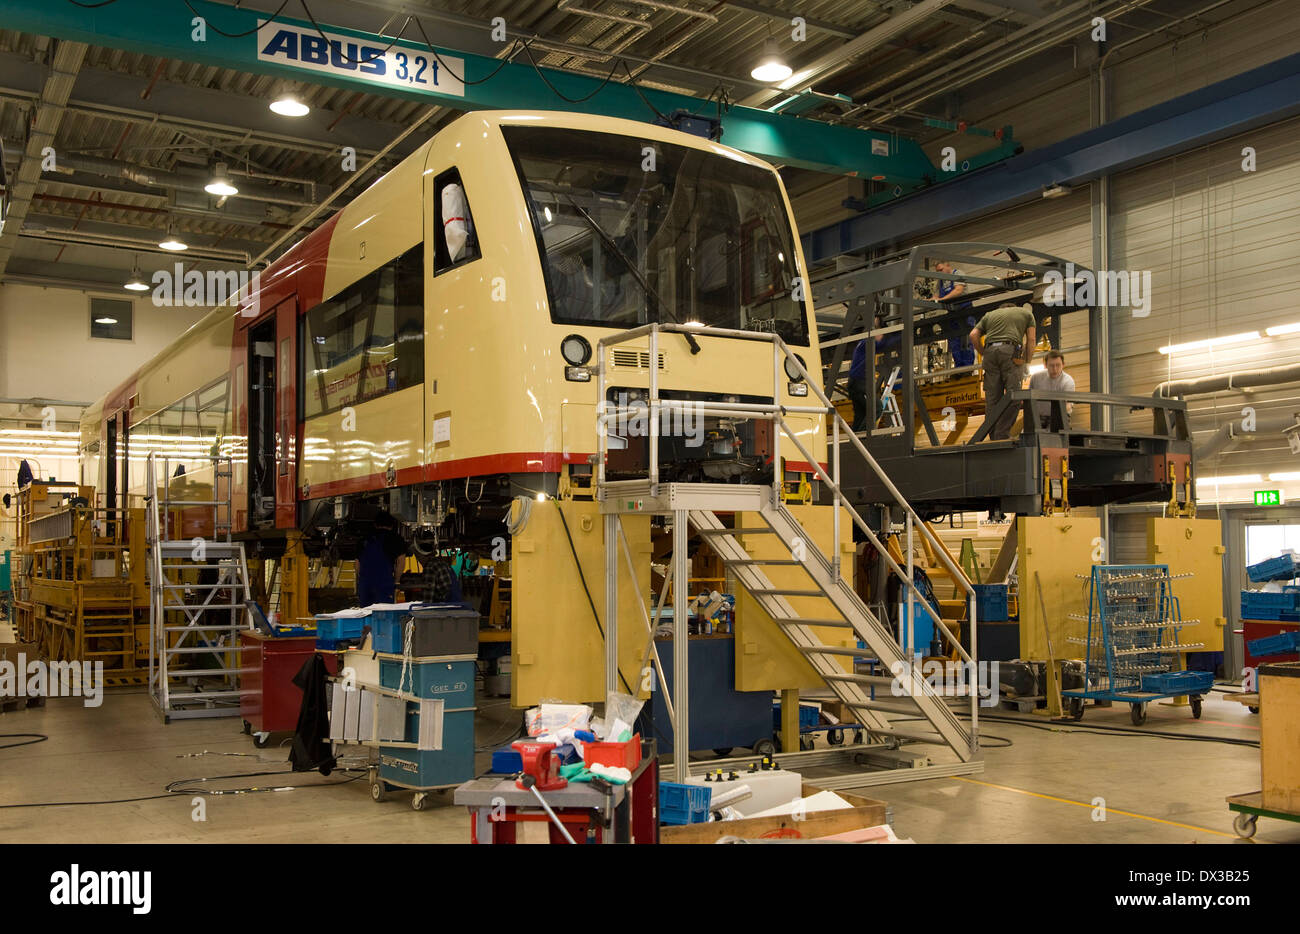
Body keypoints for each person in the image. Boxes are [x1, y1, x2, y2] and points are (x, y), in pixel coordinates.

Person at [970, 302, 1037, 440]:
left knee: (992, 399)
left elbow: (973, 335)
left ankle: (993, 436)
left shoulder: (989, 315)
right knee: (1014, 395)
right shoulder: (1026, 313)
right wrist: (1027, 362)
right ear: (1013, 307)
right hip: (1010, 352)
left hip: (990, 353)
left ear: (1001, 309)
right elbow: (1031, 339)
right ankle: (1002, 433)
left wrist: (984, 352)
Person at [355, 510, 408, 606]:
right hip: (384, 584)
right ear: (392, 525)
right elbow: (401, 563)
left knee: (365, 613)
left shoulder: (364, 539)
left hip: (365, 585)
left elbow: (357, 565)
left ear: (375, 524)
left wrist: (362, 580)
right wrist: (396, 580)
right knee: (384, 614)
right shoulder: (396, 539)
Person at [1028, 349, 1076, 429]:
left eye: (1058, 365)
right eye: (1051, 365)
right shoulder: (1036, 378)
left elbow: (1067, 406)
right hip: (1039, 417)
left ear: (1063, 365)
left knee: (1053, 435)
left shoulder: (1068, 381)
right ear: (1045, 365)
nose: (1055, 369)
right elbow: (1029, 400)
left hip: (1060, 416)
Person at [848, 338, 868, 431]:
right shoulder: (865, 343)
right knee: (877, 408)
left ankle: (855, 437)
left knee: (860, 414)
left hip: (854, 384)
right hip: (859, 384)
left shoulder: (860, 345)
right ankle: (862, 434)